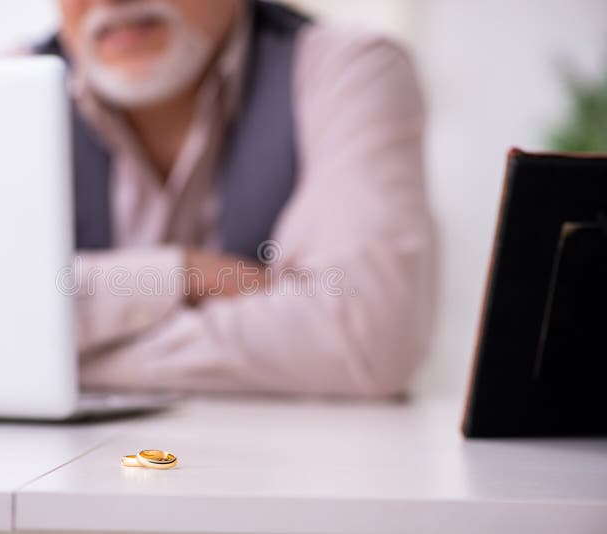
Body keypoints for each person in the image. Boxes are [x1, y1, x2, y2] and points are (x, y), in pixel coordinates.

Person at [37, 0, 437, 396]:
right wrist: (184, 275)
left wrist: (69, 355)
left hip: (296, 454)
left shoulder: (349, 70)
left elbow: (365, 340)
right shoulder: (3, 91)